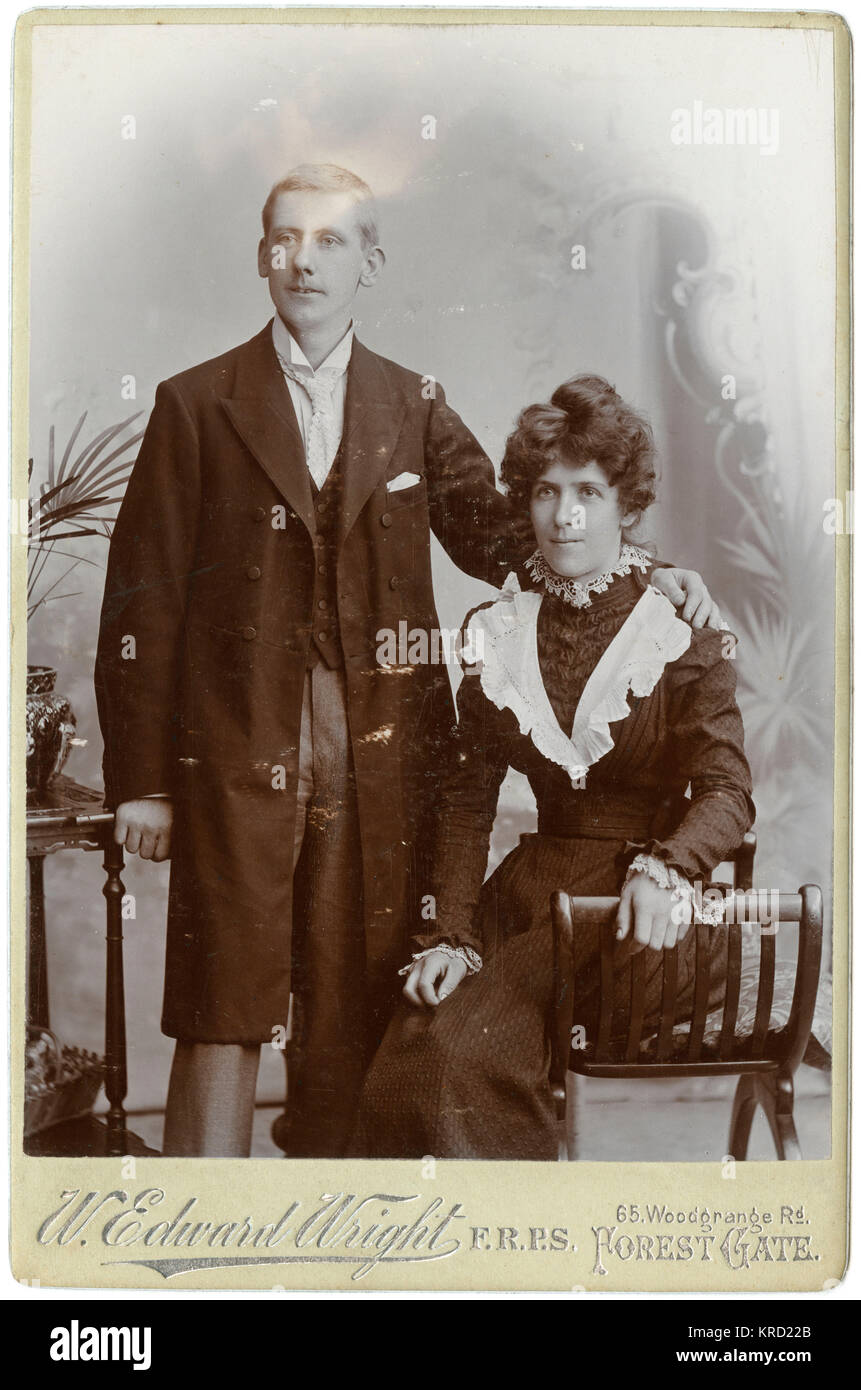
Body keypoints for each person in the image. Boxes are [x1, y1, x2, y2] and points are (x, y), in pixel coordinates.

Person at [95, 166, 721, 1158]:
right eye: (286, 238)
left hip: (381, 749)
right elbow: (143, 604)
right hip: (236, 746)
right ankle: (193, 1226)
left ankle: (343, 1217)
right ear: (264, 254)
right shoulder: (196, 405)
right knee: (229, 993)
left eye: (332, 240)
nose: (305, 259)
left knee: (354, 983)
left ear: (371, 263)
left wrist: (655, 582)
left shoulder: (411, 403)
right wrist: (141, 784)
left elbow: (512, 535)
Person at [350, 374, 755, 1161]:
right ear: (522, 501)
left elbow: (726, 790)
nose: (564, 516)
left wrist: (667, 869)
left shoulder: (679, 627)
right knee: (411, 1042)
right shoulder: (494, 629)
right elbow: (466, 805)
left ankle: (511, 1250)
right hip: (536, 893)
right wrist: (450, 934)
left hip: (645, 912)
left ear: (626, 506)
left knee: (455, 1056)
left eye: (589, 493)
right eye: (544, 491)